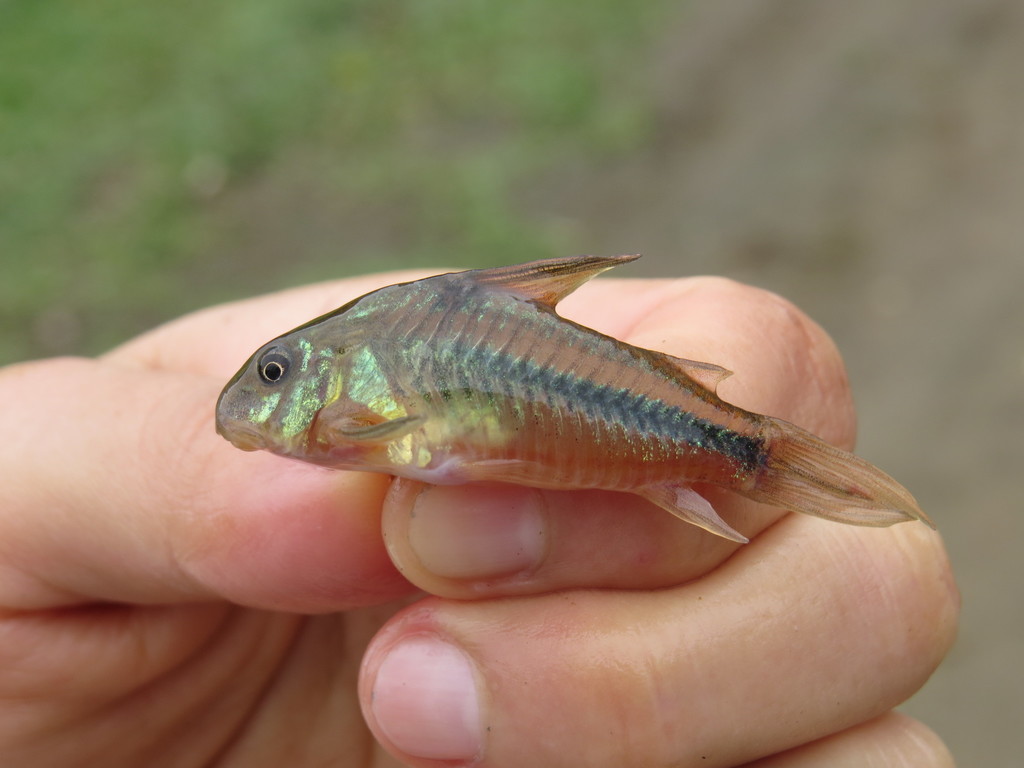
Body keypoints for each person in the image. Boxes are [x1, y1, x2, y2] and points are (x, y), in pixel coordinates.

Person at [0, 268, 958, 767]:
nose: (257, 399)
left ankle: (752, 452)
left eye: (277, 375)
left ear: (328, 376)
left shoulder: (371, 374)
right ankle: (752, 453)